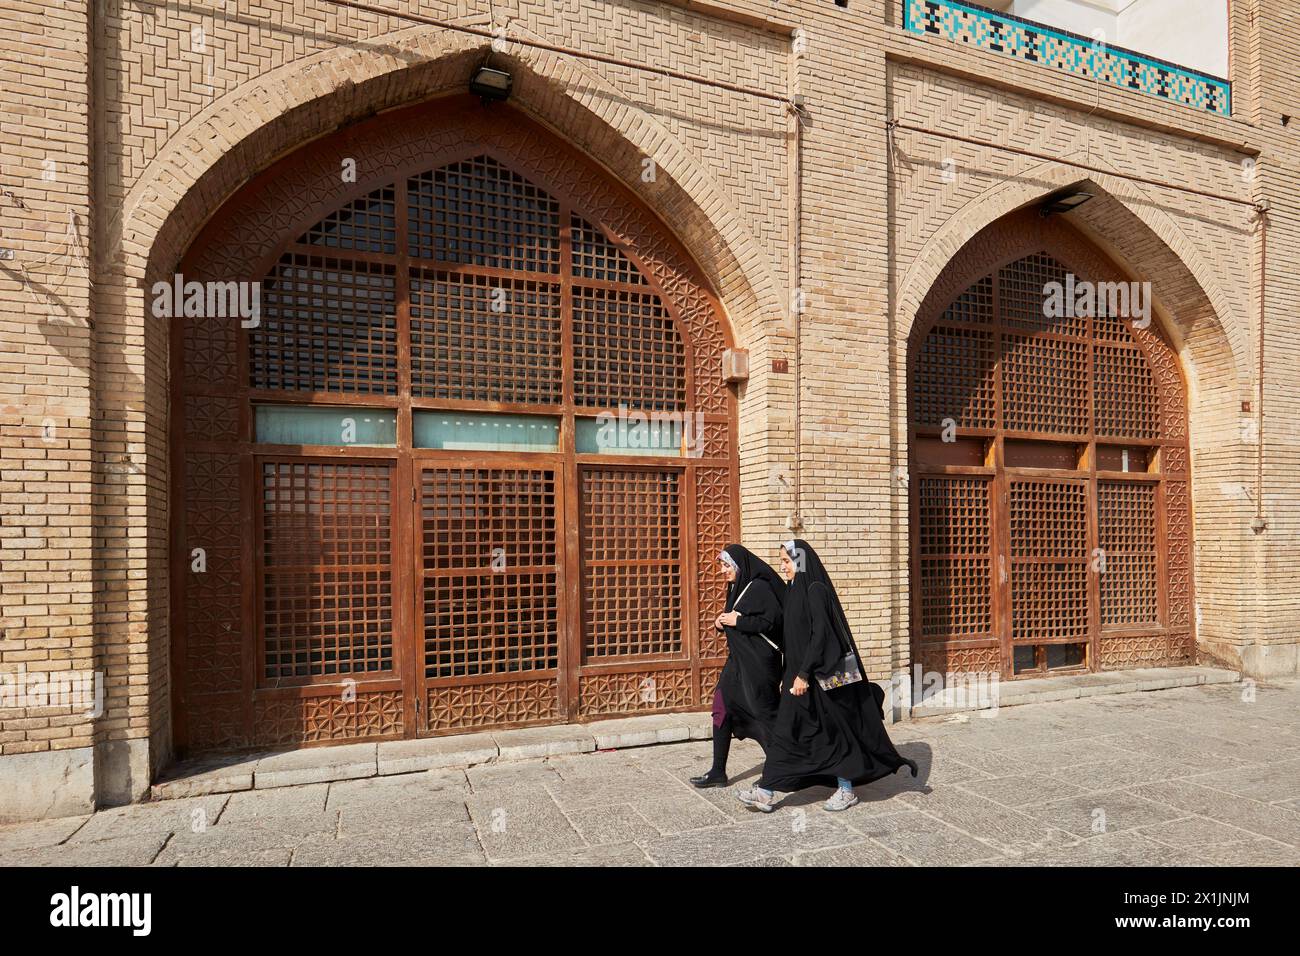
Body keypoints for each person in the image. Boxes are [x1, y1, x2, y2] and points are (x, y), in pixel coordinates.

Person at [737, 539, 917, 812]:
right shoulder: (794, 589)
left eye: (786, 562)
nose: (783, 567)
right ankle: (765, 791)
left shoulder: (814, 589)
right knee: (787, 733)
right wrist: (788, 672)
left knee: (835, 732)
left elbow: (820, 636)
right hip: (797, 679)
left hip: (819, 679)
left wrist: (804, 675)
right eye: (782, 562)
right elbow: (793, 637)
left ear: (800, 561)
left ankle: (845, 790)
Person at [689, 545, 785, 788]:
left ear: (740, 566)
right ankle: (717, 772)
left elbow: (772, 621)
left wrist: (738, 620)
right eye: (722, 566)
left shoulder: (760, 586)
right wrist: (723, 623)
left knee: (764, 715)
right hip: (737, 663)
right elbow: (738, 619)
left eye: (726, 565)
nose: (722, 571)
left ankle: (781, 770)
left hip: (758, 666)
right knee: (720, 708)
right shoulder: (738, 587)